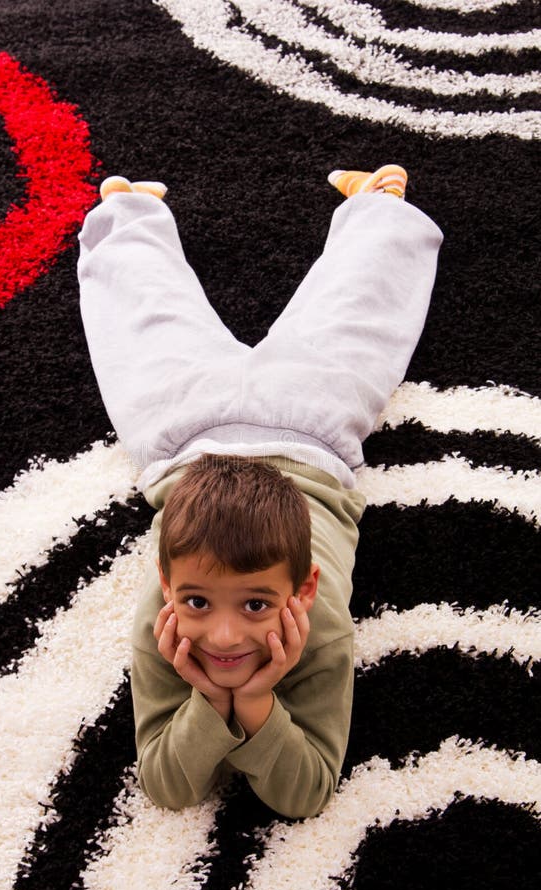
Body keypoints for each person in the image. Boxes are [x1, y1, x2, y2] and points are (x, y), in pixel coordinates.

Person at [77, 165, 443, 818]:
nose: (220, 637)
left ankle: (129, 210)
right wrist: (213, 700)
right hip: (312, 428)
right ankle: (128, 207)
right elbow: (166, 784)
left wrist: (252, 702)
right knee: (356, 318)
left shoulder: (319, 626)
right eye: (196, 599)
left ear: (303, 588)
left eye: (253, 605)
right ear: (167, 583)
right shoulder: (160, 624)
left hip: (187, 432)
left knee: (146, 329)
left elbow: (305, 791)